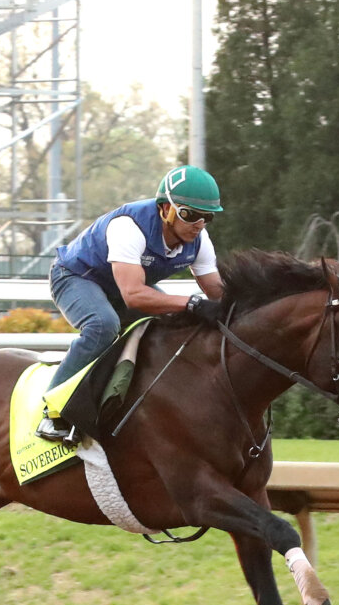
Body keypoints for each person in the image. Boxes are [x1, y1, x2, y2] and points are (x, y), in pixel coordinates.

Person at [36, 163, 228, 444]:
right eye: (189, 214)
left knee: (173, 326)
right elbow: (134, 296)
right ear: (166, 209)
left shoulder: (200, 241)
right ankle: (53, 411)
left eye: (206, 218)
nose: (198, 224)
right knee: (103, 325)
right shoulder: (130, 227)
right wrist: (191, 302)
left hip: (123, 283)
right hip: (75, 276)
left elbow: (218, 293)